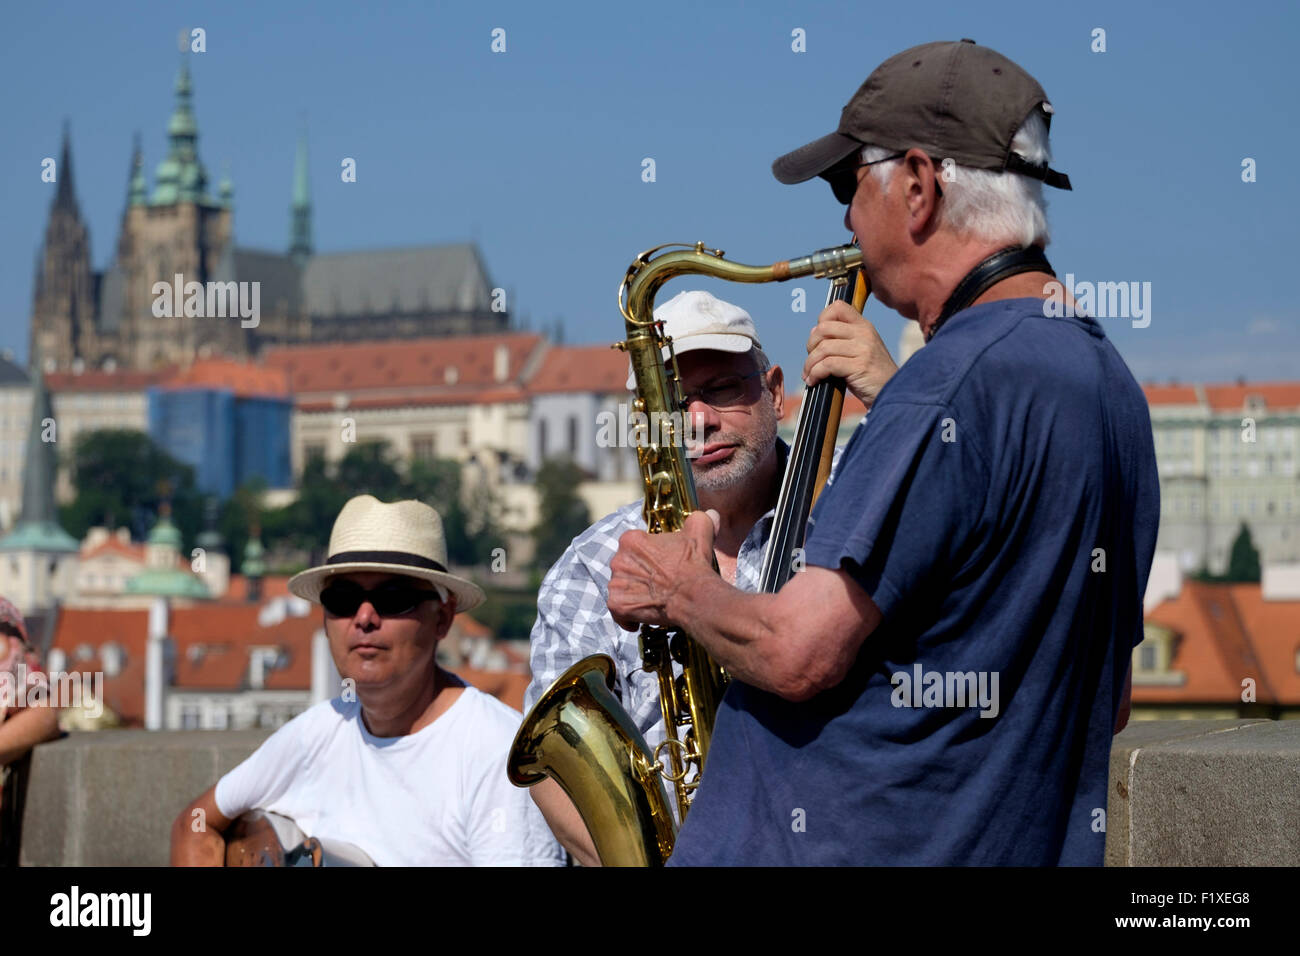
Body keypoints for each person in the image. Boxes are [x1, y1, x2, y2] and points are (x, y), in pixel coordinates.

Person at [606, 39, 1159, 865]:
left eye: (845, 185)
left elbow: (798, 651)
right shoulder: (1110, 387)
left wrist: (682, 590)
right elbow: (1107, 703)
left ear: (917, 185)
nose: (842, 221)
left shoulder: (947, 385)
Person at [524, 289, 884, 865]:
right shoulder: (591, 564)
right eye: (670, 404)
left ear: (774, 392)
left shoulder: (862, 492)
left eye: (721, 389)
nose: (698, 420)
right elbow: (555, 774)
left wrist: (896, 397)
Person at [170, 495, 564, 866]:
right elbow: (195, 823)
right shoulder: (316, 733)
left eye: (393, 598)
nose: (364, 617)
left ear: (441, 618)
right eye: (342, 599)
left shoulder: (499, 754)